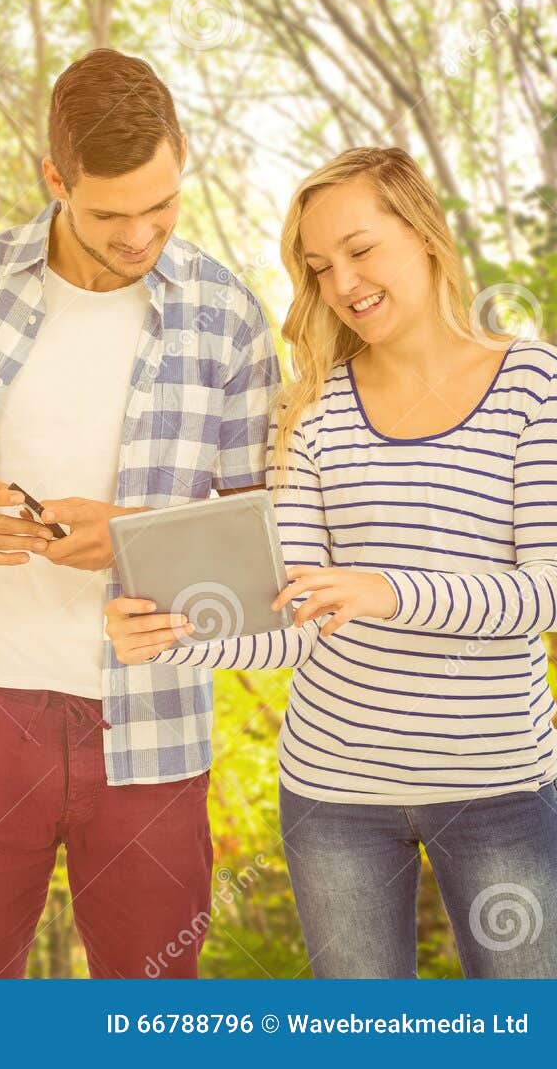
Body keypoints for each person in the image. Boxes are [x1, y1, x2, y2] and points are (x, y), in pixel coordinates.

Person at [0, 49, 280, 978]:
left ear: (182, 158)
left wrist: (131, 537)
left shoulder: (227, 313)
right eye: (111, 212)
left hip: (155, 720)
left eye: (163, 204)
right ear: (54, 179)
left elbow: (256, 538)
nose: (143, 234)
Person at [106, 145, 557, 978]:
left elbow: (542, 594)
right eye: (318, 267)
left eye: (359, 249)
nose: (342, 283)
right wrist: (170, 633)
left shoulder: (533, 382)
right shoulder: (312, 406)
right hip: (335, 791)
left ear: (422, 231)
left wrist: (387, 590)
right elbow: (296, 617)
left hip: (497, 783)